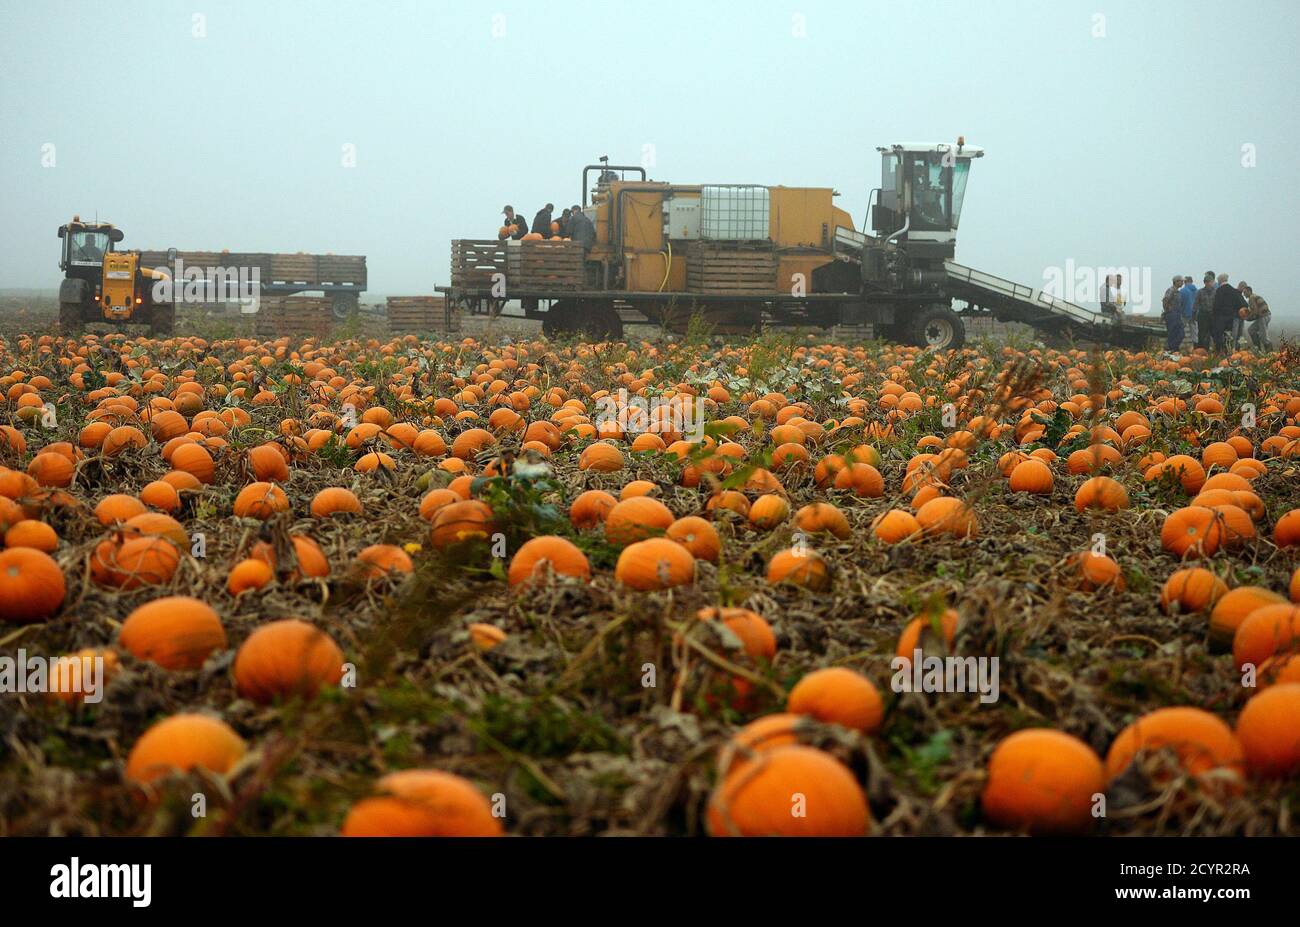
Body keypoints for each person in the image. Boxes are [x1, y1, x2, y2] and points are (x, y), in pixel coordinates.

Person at [1211, 273, 1246, 352]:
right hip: (1231, 317)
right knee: (1229, 335)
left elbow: (1216, 304)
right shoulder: (1233, 290)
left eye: (1218, 280)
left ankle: (1219, 351)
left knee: (1219, 335)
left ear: (1220, 280)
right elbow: (1241, 304)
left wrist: (1214, 315)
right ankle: (1229, 351)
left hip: (1220, 317)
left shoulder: (1219, 290)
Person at [1243, 286, 1273, 352]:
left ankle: (1270, 353)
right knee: (1251, 330)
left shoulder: (1251, 298)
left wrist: (1247, 318)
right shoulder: (1254, 296)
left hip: (1263, 317)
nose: (1244, 294)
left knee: (1264, 337)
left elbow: (1255, 311)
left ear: (1249, 291)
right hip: (1266, 316)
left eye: (1245, 292)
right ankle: (1258, 349)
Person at [1194, 271, 1217, 351]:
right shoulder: (1200, 292)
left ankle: (1216, 350)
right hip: (1203, 315)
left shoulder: (1216, 292)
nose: (1208, 283)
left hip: (1213, 315)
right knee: (1202, 334)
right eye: (1206, 282)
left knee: (1214, 333)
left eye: (1209, 282)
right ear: (1204, 282)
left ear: (1212, 282)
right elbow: (1195, 304)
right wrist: (1194, 316)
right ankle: (1202, 350)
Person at [1162, 276, 1185, 352]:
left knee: (1181, 333)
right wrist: (1168, 310)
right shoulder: (1170, 290)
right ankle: (1171, 349)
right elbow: (1165, 300)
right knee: (1172, 332)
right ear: (1176, 282)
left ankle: (1174, 347)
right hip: (1172, 314)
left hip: (1178, 314)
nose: (1182, 283)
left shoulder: (1178, 292)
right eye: (1181, 281)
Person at [1179, 273, 1198, 345]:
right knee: (1194, 332)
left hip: (1185, 313)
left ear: (1185, 282)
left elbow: (1180, 303)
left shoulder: (1183, 291)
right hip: (1195, 314)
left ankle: (1178, 346)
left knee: (1180, 330)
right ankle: (1195, 347)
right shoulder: (1197, 291)